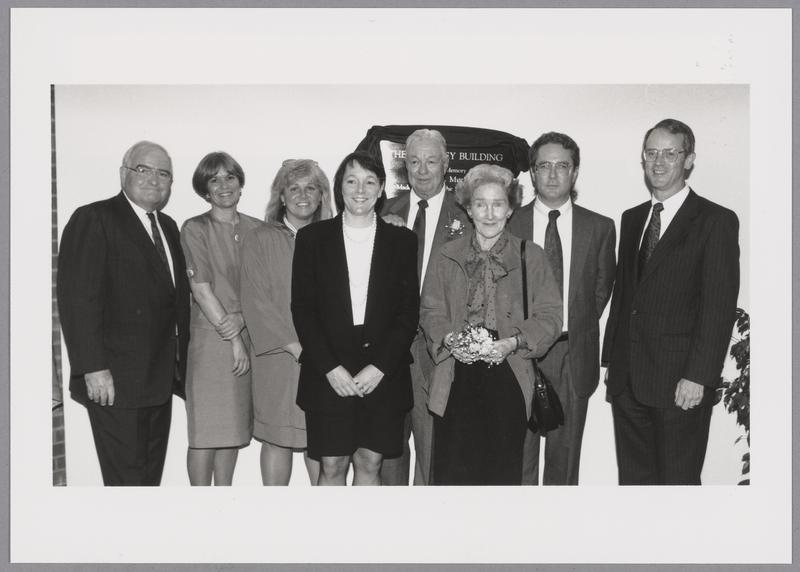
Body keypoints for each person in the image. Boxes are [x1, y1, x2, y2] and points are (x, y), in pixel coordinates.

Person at [602, 118, 740, 485]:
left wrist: (698, 376)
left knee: (678, 485)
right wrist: (611, 363)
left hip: (680, 384)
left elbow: (718, 307)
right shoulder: (632, 219)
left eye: (670, 153)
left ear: (689, 160)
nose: (658, 162)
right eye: (651, 153)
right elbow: (625, 295)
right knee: (635, 484)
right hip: (628, 381)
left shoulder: (715, 220)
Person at [57, 140, 190, 486]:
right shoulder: (95, 218)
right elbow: (77, 299)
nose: (154, 179)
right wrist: (92, 367)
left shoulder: (169, 227)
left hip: (160, 381)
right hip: (115, 381)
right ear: (123, 173)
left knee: (148, 479)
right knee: (125, 482)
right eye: (143, 169)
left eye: (164, 173)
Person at [421, 164, 562, 485]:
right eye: (480, 204)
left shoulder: (532, 256)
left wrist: (513, 342)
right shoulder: (446, 255)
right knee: (453, 476)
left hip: (508, 374)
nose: (489, 213)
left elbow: (551, 316)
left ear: (510, 209)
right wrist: (450, 339)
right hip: (455, 376)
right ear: (468, 209)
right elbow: (431, 309)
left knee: (500, 477)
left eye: (497, 204)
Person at [291, 151, 419, 486]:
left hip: (382, 371)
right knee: (331, 465)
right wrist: (330, 368)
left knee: (369, 462)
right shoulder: (311, 239)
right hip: (328, 370)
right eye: (351, 180)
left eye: (369, 181)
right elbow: (302, 310)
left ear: (380, 190)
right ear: (339, 188)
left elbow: (408, 313)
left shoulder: (402, 241)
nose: (359, 189)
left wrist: (380, 367)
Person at [507, 132, 616, 485]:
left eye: (562, 166)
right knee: (517, 459)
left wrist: (571, 326)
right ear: (532, 173)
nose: (552, 174)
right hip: (519, 353)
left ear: (575, 172)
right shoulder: (509, 224)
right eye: (544, 166)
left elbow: (599, 291)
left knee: (564, 463)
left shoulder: (599, 227)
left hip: (573, 354)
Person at [380, 128, 472, 486]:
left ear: (446, 164)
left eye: (431, 161)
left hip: (438, 349)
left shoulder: (466, 215)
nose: (422, 170)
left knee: (434, 451)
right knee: (388, 449)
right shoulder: (385, 210)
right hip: (389, 350)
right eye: (414, 161)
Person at [240, 159, 333, 485]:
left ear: (322, 195)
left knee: (318, 441)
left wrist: (321, 353)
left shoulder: (334, 239)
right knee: (278, 438)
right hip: (279, 358)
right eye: (293, 188)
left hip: (324, 359)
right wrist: (297, 349)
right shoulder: (259, 238)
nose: (302, 195)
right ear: (281, 196)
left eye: (311, 188)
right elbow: (256, 301)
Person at [180, 151, 263, 486]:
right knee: (205, 432)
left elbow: (264, 289)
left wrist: (242, 321)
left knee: (231, 426)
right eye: (214, 179)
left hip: (248, 334)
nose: (224, 185)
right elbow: (201, 289)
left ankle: (224, 501)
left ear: (241, 183)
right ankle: (200, 508)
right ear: (205, 189)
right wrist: (233, 339)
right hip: (210, 341)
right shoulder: (195, 228)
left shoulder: (259, 230)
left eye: (230, 176)